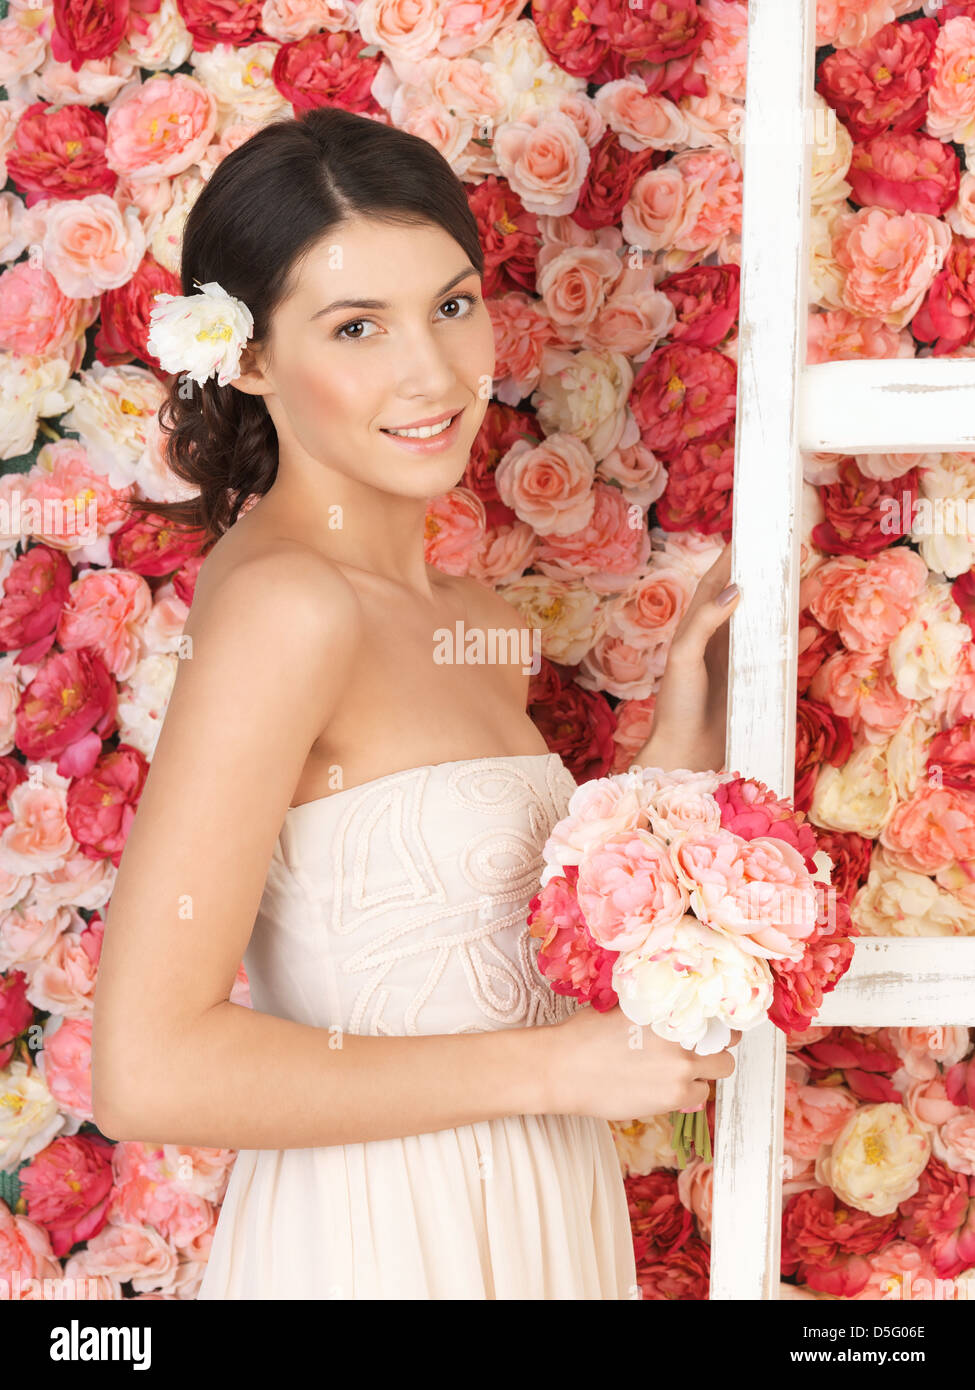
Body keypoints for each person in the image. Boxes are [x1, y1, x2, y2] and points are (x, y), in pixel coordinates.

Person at [91, 106, 743, 1300]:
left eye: (450, 305)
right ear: (243, 357)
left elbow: (475, 951)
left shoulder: (470, 617)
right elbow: (148, 1065)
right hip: (381, 1242)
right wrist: (552, 1074)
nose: (435, 373)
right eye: (356, 327)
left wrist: (680, 742)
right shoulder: (291, 607)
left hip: (537, 1213)